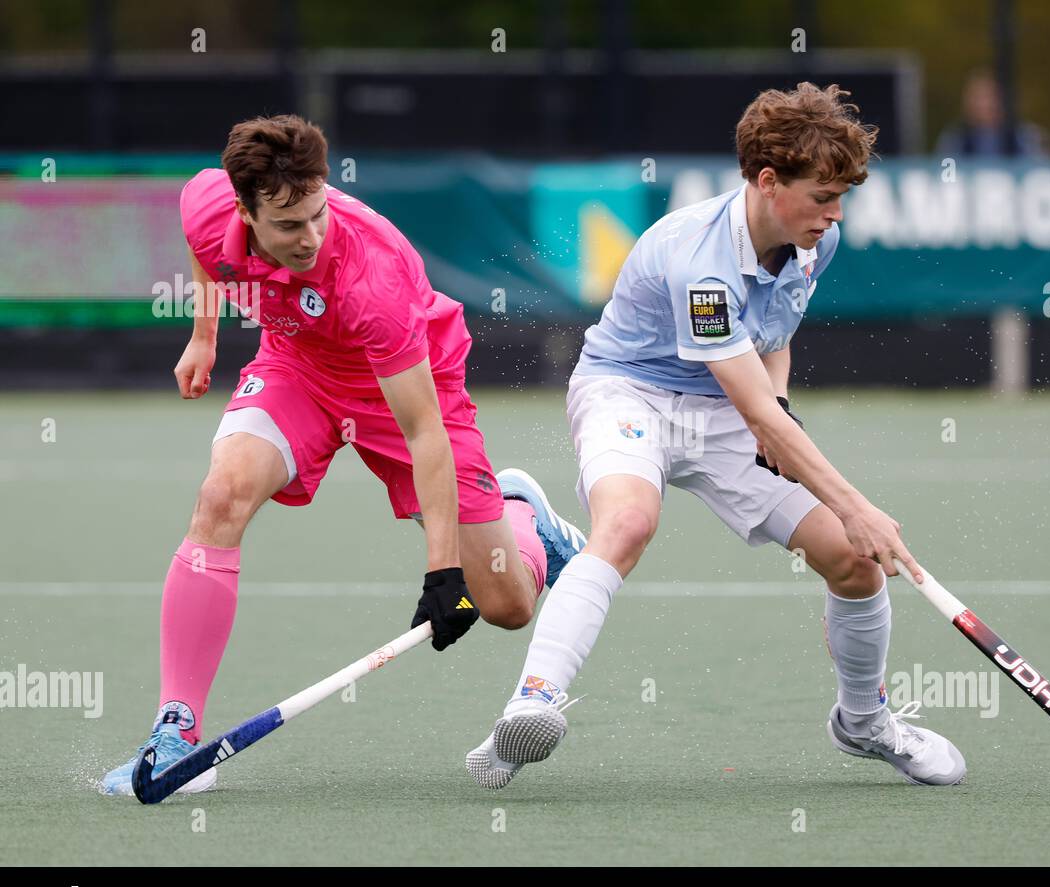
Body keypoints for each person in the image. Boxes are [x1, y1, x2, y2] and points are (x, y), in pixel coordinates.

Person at [466, 83, 966, 791]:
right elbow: (755, 413)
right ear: (768, 181)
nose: (837, 212)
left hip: (731, 403)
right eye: (824, 195)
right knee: (631, 523)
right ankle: (535, 699)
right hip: (629, 390)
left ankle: (864, 724)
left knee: (852, 562)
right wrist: (851, 498)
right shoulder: (700, 261)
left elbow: (774, 341)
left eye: (841, 197)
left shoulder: (813, 239)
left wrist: (783, 401)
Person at [99, 114, 587, 795]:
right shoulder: (211, 206)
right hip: (299, 367)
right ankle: (174, 731)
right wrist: (203, 335)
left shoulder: (372, 276)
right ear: (245, 210)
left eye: (317, 215)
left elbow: (425, 434)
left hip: (406, 394)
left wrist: (442, 573)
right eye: (289, 224)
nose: (310, 237)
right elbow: (202, 246)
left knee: (506, 605)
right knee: (221, 498)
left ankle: (528, 524)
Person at [935, 70, 1043, 158]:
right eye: (977, 97)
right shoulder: (953, 140)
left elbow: (1039, 173)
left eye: (988, 96)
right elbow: (946, 178)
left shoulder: (1024, 137)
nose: (983, 104)